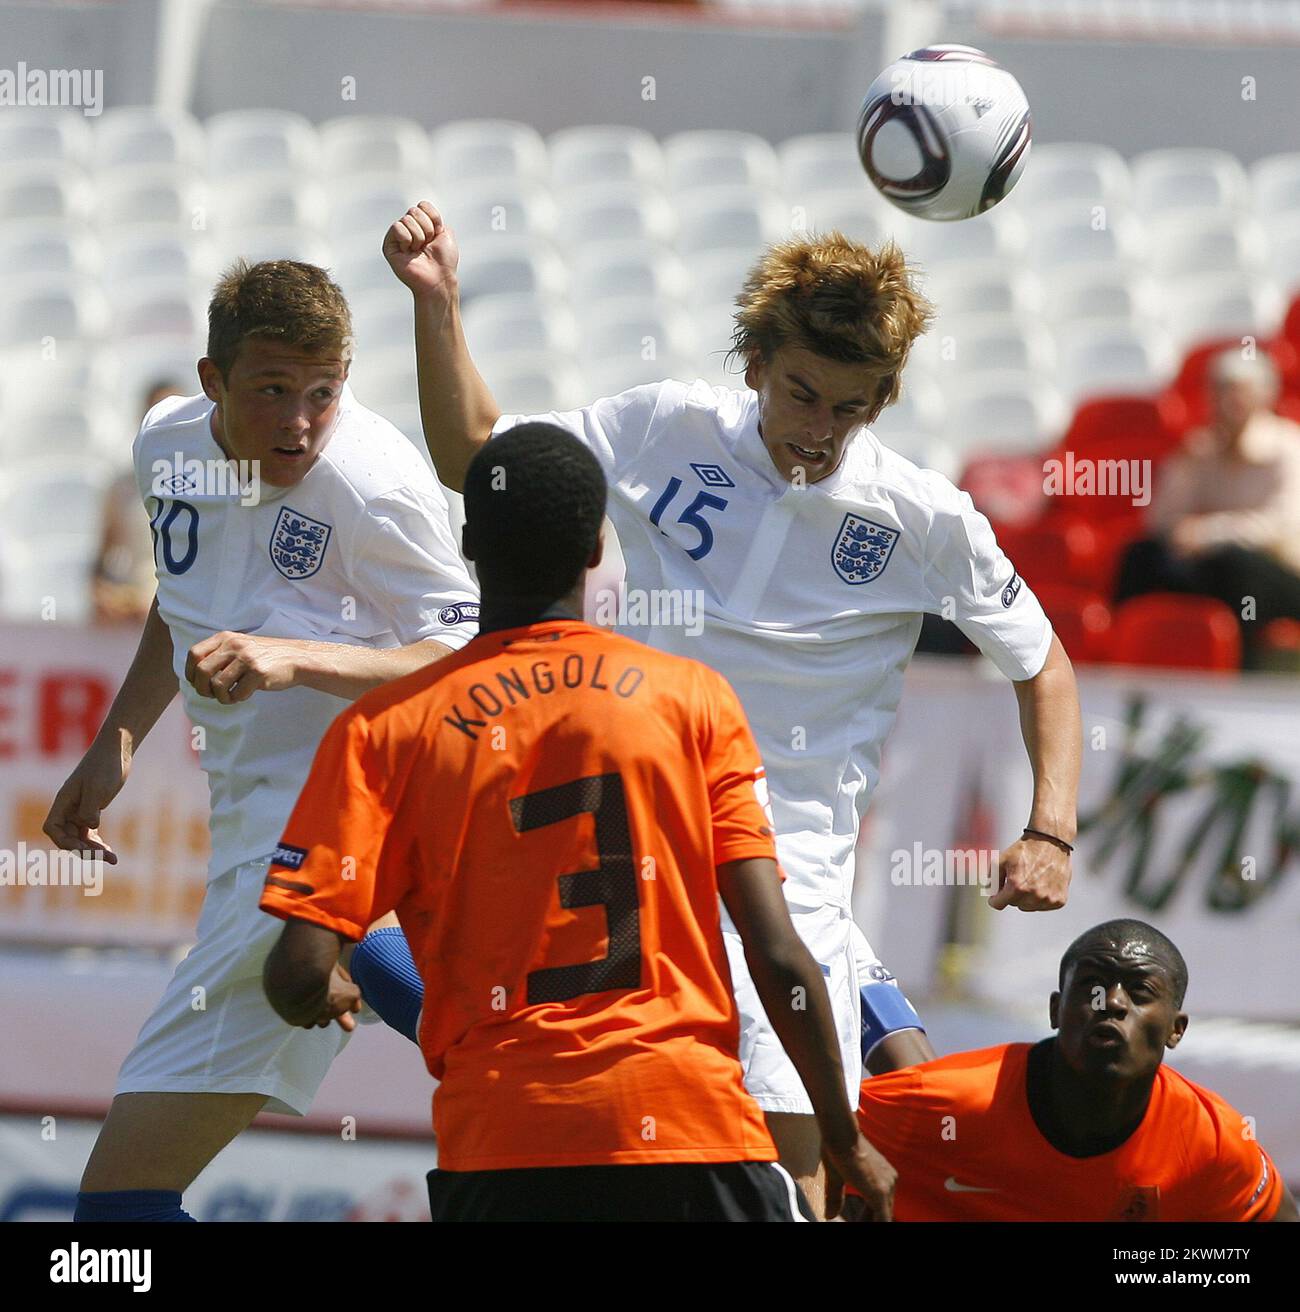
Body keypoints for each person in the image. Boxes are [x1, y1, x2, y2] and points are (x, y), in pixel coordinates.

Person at [382, 201, 1083, 1214]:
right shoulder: (666, 426)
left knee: (781, 1170)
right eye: (802, 392)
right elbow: (479, 459)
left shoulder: (923, 520)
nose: (819, 429)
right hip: (620, 842)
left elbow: (1044, 663)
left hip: (781, 859)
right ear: (754, 360)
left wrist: (1048, 830)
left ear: (881, 401)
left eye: (849, 406)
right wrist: (438, 302)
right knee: (595, 1134)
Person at [259, 424, 895, 1222]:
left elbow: (294, 972)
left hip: (503, 1145)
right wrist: (842, 1137)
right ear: (598, 547)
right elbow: (778, 955)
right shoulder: (690, 699)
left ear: (468, 544)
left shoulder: (384, 730)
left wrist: (327, 988)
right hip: (684, 1131)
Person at [43, 259, 479, 1223]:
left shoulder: (372, 481)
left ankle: (589, 1122)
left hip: (369, 823)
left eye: (322, 392)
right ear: (212, 382)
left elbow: (467, 653)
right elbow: (186, 602)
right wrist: (115, 745)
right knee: (116, 1215)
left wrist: (293, 657)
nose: (299, 421)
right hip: (252, 859)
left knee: (443, 1021)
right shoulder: (166, 449)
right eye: (272, 390)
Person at [846, 919, 1299, 1221]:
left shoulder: (1213, 1141)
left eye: (1140, 991)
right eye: (1092, 986)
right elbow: (806, 1135)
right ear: (1057, 1010)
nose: (1114, 1003)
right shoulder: (949, 1101)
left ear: (1175, 1030)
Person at [1115, 350, 1300, 667]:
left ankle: (1241, 672)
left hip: (1278, 578)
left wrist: (1211, 533)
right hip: (1212, 567)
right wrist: (1188, 467)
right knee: (1140, 556)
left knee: (1238, 567)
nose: (1229, 399)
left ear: (1264, 394)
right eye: (1220, 388)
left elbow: (1281, 526)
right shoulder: (1200, 448)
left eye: (1238, 389)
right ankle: (1127, 664)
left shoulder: (1287, 447)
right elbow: (1159, 520)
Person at [92, 380, 185, 626]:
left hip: (179, 619)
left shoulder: (212, 488)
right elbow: (103, 560)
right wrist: (105, 596)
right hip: (131, 615)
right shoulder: (122, 486)